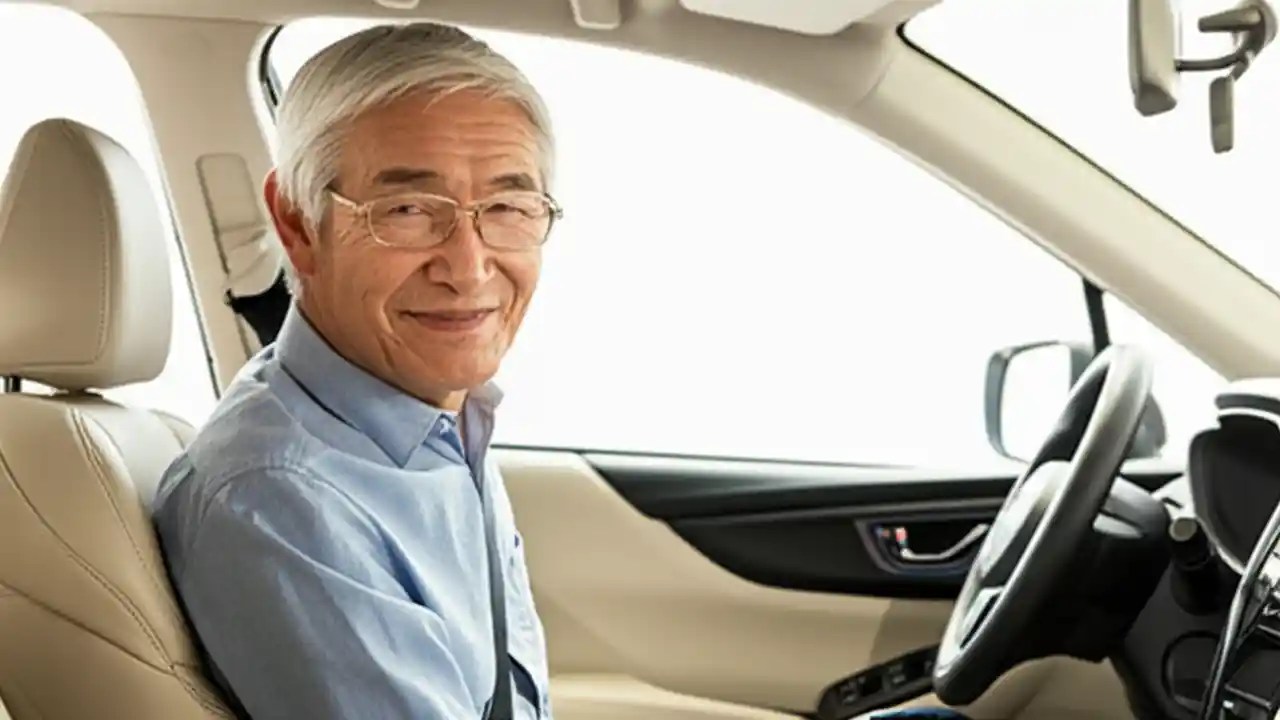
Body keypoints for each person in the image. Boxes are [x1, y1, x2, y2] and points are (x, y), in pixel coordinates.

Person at [153, 22, 560, 720]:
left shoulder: (438, 416)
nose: (468, 269)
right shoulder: (285, 498)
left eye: (507, 208)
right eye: (406, 211)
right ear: (297, 223)